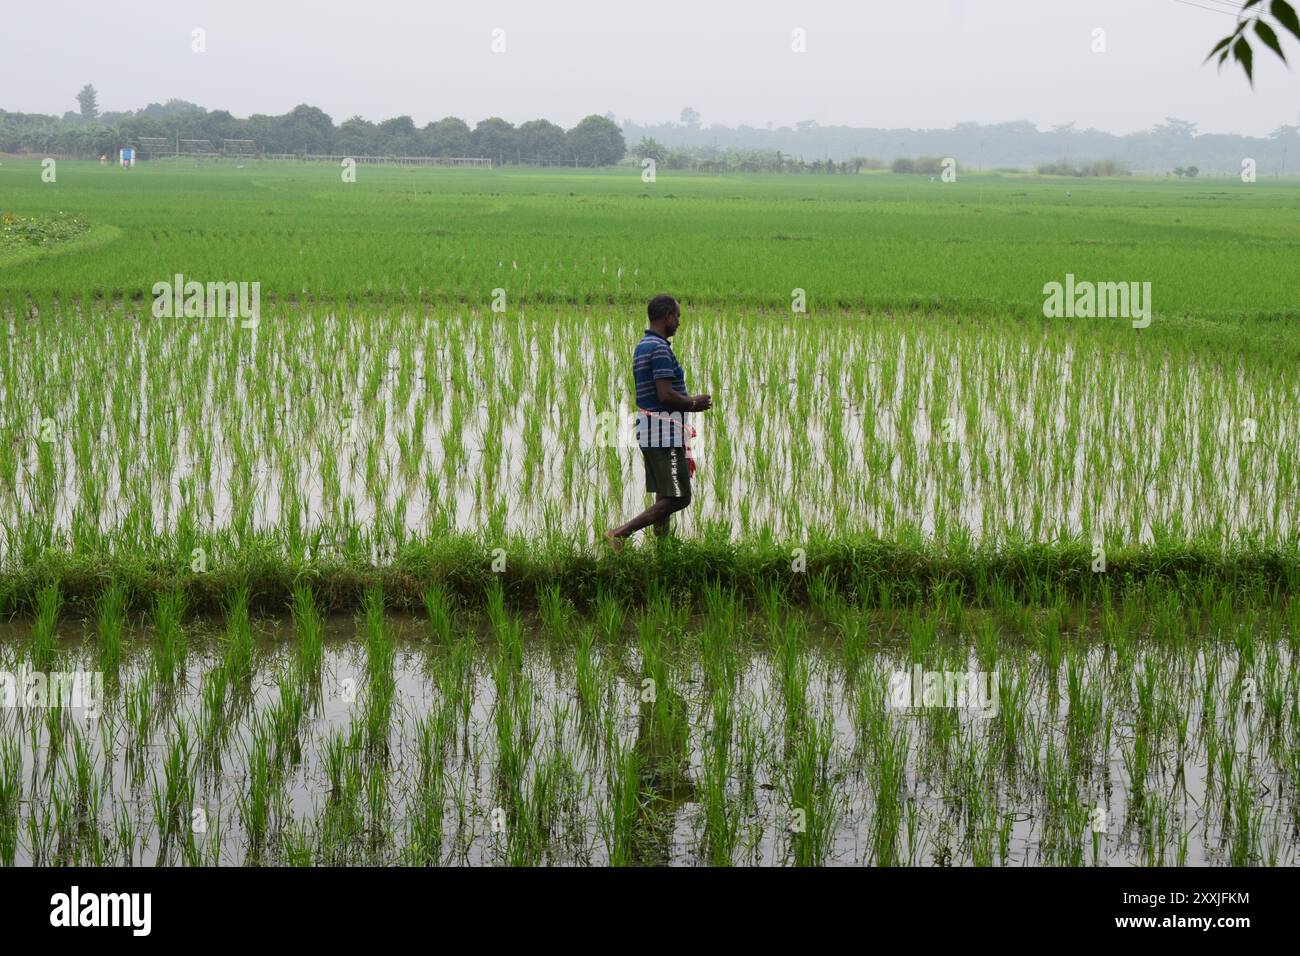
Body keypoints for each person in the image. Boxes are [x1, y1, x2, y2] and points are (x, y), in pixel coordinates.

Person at [605, 295, 712, 552]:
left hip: (651, 431)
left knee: (665, 493)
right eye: (677, 316)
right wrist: (694, 402)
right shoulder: (660, 349)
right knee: (679, 497)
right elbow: (665, 394)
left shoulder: (644, 345)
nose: (678, 322)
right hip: (663, 434)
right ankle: (619, 533)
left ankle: (663, 552)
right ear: (667, 317)